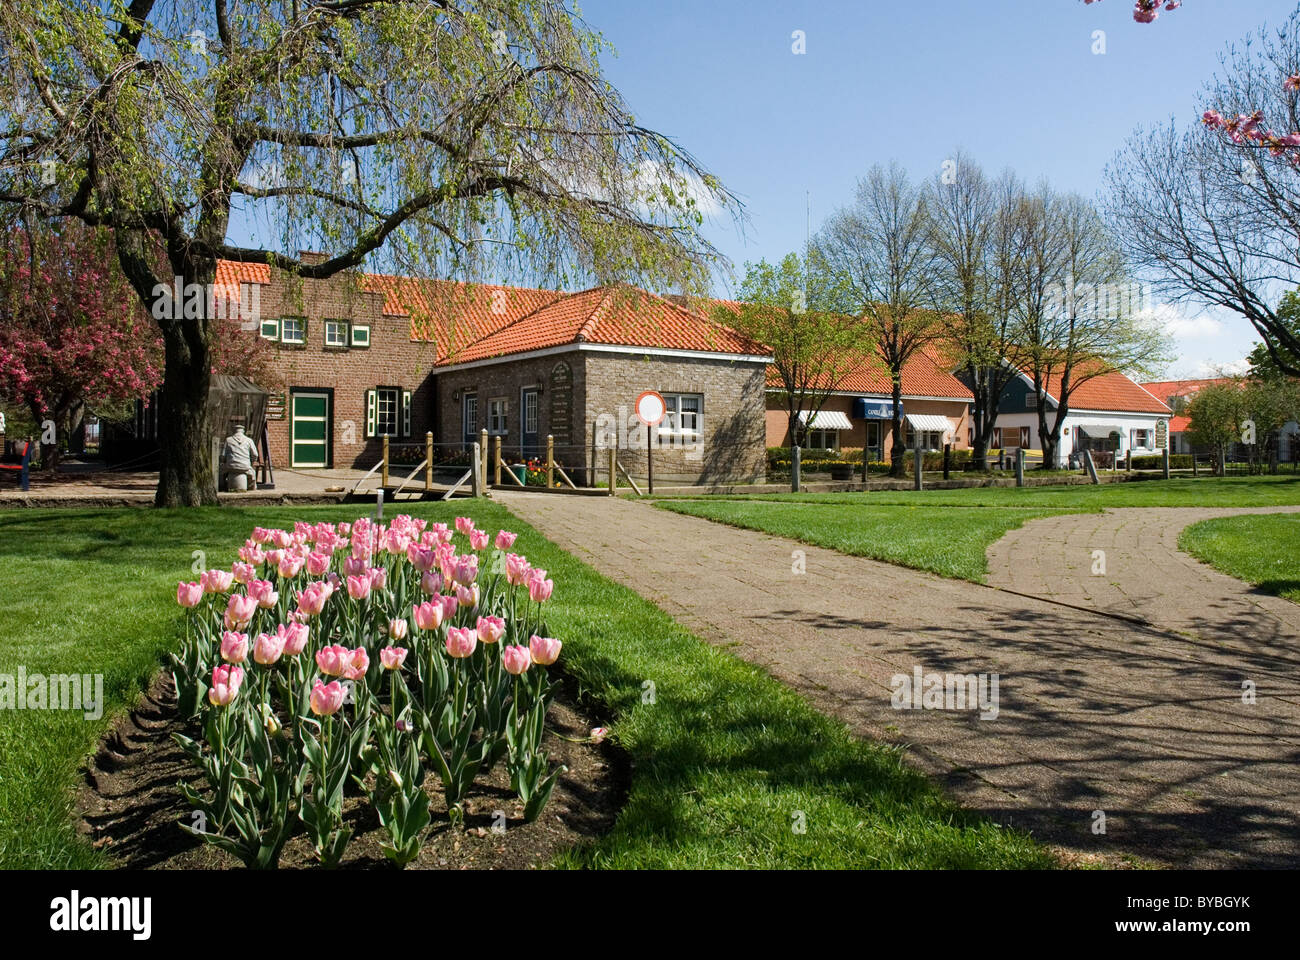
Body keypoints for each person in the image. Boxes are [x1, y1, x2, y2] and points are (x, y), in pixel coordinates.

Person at [222, 423, 259, 491]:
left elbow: (223, 455)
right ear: (243, 431)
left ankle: (222, 487)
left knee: (221, 471)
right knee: (253, 473)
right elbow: (255, 455)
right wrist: (251, 461)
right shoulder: (249, 440)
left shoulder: (228, 440)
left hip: (231, 466)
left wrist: (225, 461)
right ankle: (252, 489)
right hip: (245, 466)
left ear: (233, 431)